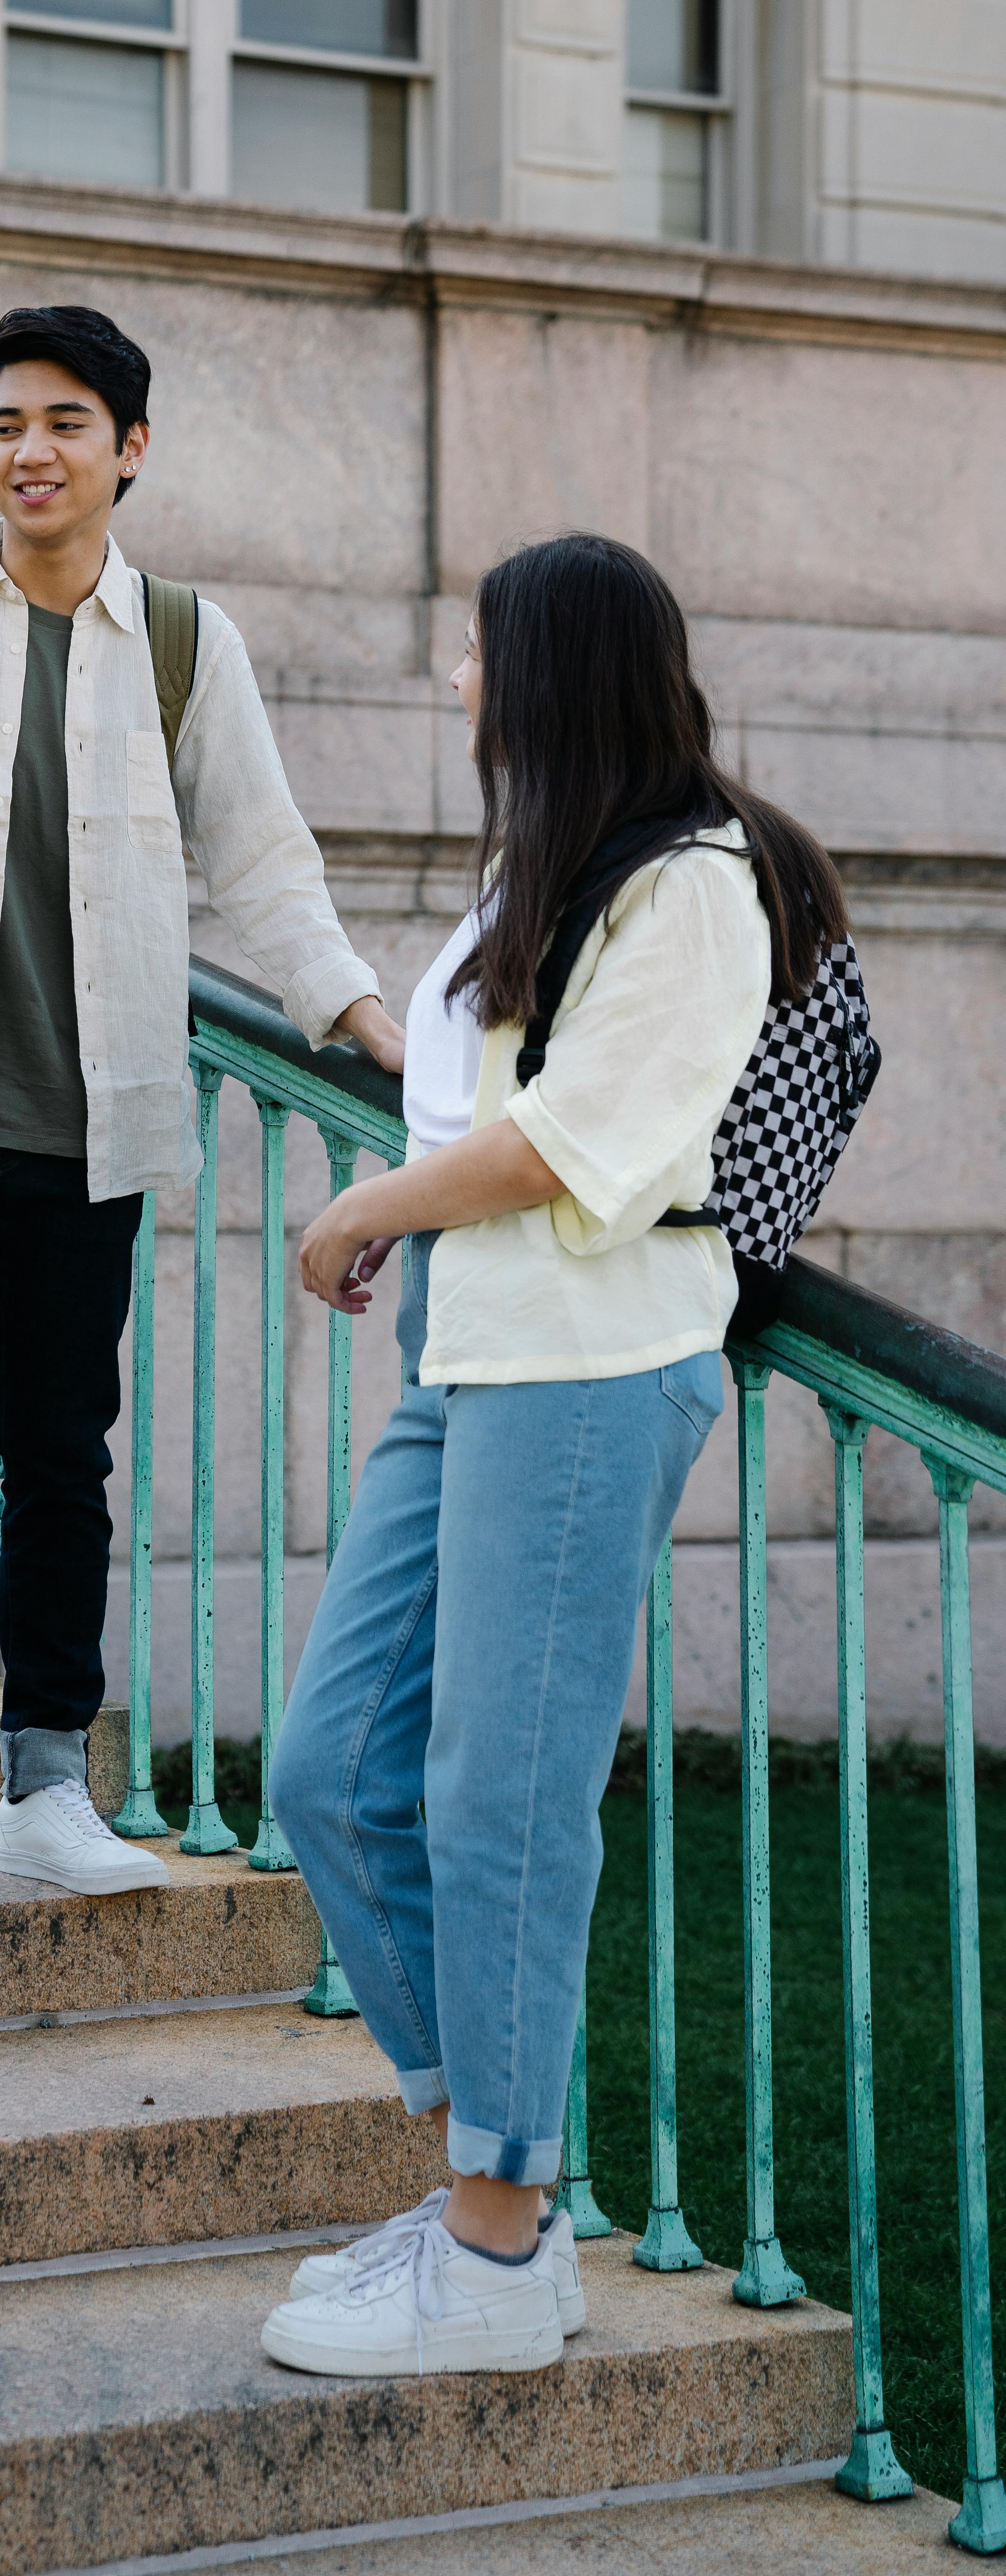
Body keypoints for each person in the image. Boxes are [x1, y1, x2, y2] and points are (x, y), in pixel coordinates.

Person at [260, 532, 848, 2378]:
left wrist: (371, 1205)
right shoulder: (552, 869)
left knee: (497, 1802)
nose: (453, 678)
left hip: (593, 1362)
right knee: (331, 1769)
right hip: (477, 1345)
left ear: (553, 670)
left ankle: (504, 2246)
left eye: (475, 651)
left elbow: (569, 1144)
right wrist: (410, 1209)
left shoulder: (693, 890)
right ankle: (487, 2180)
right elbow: (470, 1102)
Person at [0, 304, 404, 1922]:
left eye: (62, 423)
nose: (28, 452)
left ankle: (49, 1778)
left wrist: (369, 1021)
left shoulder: (183, 642)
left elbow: (263, 866)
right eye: (2, 425)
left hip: (91, 1124)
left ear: (130, 446)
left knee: (65, 1456)